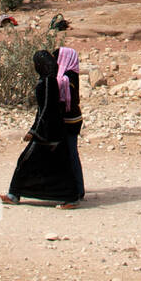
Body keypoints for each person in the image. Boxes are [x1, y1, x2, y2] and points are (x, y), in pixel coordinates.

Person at [0, 50, 79, 207]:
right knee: (59, 164)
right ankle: (69, 197)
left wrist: (34, 130)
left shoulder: (49, 82)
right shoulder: (50, 80)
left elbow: (46, 109)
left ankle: (14, 194)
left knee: (25, 161)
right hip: (52, 130)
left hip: (48, 132)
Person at [54, 45, 85, 203]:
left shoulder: (67, 77)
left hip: (69, 120)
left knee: (71, 154)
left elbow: (67, 100)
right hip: (74, 119)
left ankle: (77, 190)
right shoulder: (72, 74)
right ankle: (76, 188)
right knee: (71, 154)